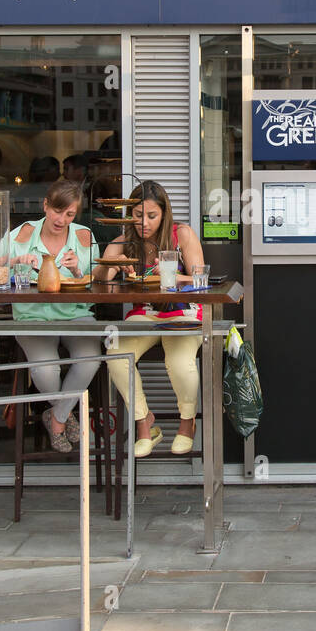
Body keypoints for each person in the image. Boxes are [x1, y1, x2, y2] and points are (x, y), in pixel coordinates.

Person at [95, 181, 206, 458]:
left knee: (179, 362)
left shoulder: (182, 235)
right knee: (116, 353)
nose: (143, 222)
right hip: (145, 313)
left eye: (151, 216)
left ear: (164, 213)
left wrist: (172, 276)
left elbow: (201, 280)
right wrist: (112, 266)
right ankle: (144, 423)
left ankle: (186, 423)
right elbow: (99, 279)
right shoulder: (125, 240)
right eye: (136, 215)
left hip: (183, 310)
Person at [0, 179, 100, 453]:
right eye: (57, 211)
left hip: (75, 314)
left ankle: (56, 417)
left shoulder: (84, 236)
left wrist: (78, 271)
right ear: (45, 205)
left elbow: (95, 282)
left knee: (90, 360)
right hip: (33, 315)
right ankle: (63, 412)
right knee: (46, 370)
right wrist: (16, 262)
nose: (61, 219)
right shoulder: (22, 235)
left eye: (69, 214)